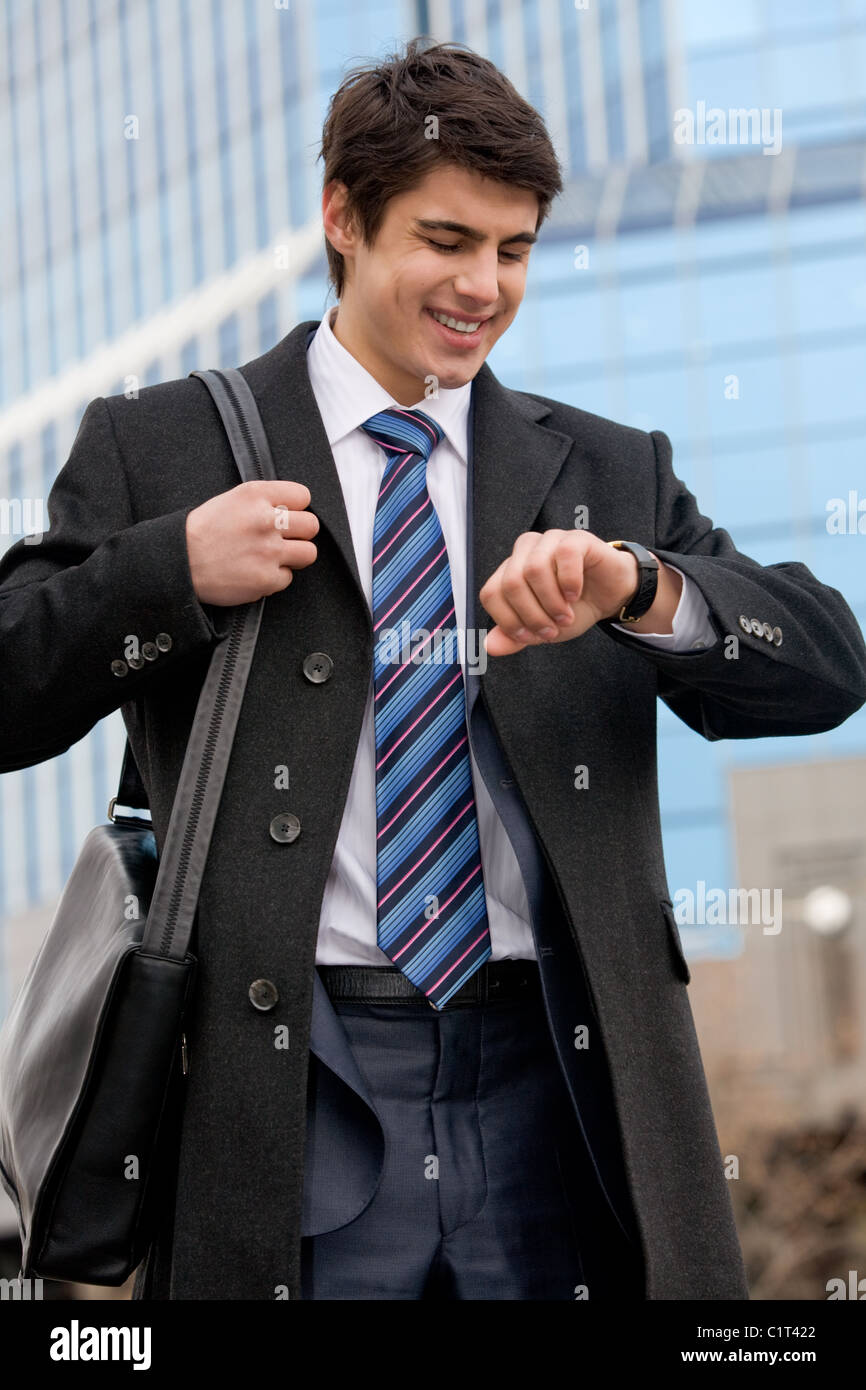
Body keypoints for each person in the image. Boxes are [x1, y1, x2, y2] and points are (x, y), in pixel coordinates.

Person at [1, 38, 864, 1301]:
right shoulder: (164, 446)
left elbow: (824, 664)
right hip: (287, 1077)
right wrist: (164, 568)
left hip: (563, 1084)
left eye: (511, 251)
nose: (482, 286)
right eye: (445, 241)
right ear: (341, 219)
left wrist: (638, 586)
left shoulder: (605, 473)